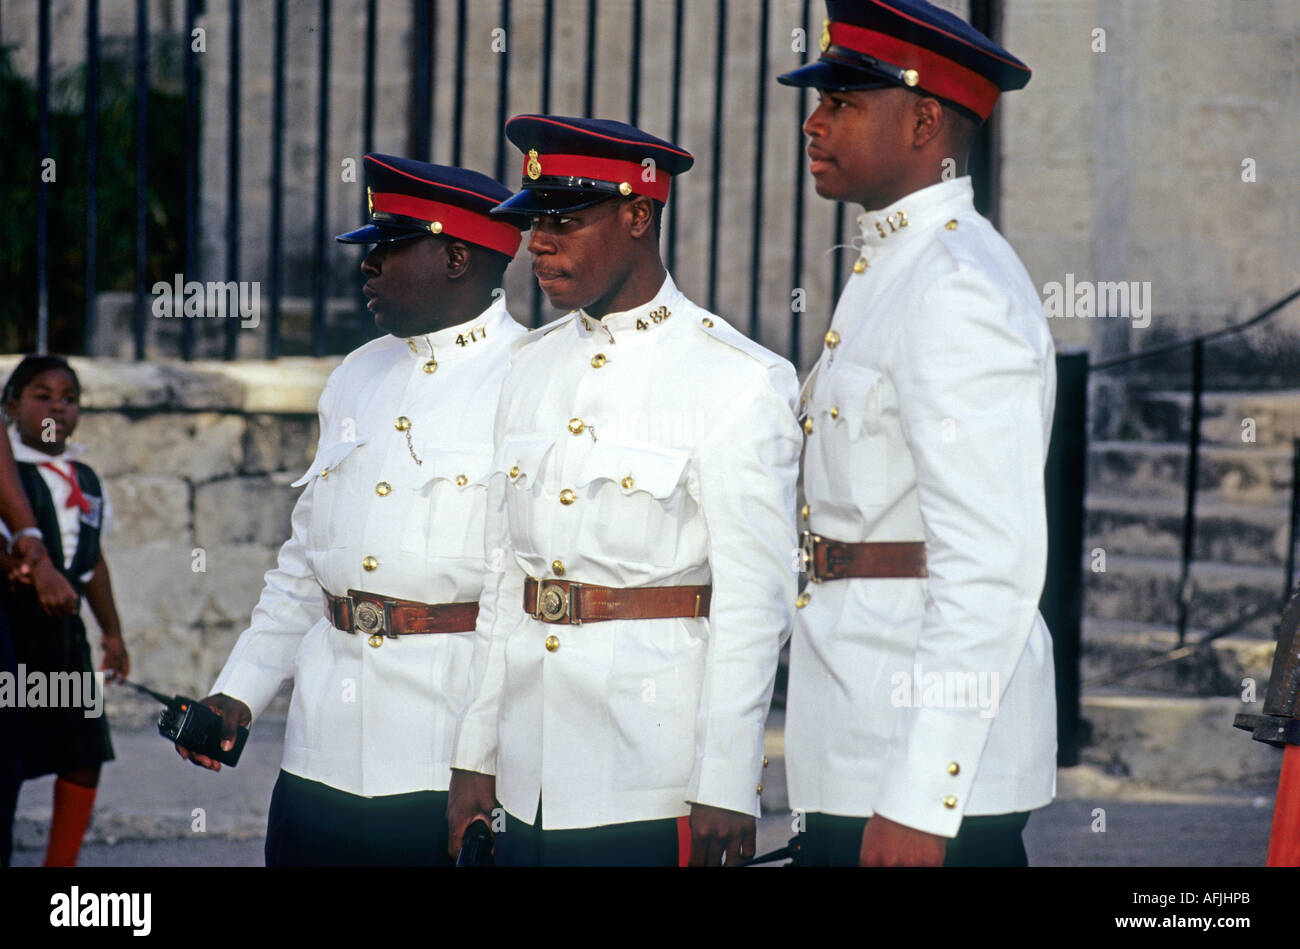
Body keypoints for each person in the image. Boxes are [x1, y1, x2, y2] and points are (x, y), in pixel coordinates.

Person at [447, 115, 801, 866]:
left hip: (649, 776)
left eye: (565, 222)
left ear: (639, 215)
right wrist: (476, 754)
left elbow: (753, 603)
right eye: (534, 224)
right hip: (528, 772)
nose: (538, 244)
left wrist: (727, 780)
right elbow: (503, 579)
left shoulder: (737, 379)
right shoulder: (529, 365)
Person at [178, 157, 529, 866]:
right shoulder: (356, 374)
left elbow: (522, 597)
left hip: (442, 756)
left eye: (389, 246)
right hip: (321, 750)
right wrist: (239, 692)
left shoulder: (531, 380)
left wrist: (482, 758)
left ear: (456, 258)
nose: (367, 265)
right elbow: (305, 562)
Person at [777, 0, 1057, 866]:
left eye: (842, 104)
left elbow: (988, 562)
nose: (814, 124)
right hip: (856, 738)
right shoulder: (891, 266)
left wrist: (921, 795)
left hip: (922, 777)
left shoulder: (953, 286)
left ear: (924, 122)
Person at [0, 355, 128, 867]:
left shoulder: (86, 478)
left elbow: (92, 562)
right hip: (15, 631)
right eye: (42, 396)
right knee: (10, 754)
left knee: (83, 749)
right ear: (12, 407)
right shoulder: (9, 474)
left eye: (69, 399)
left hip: (65, 637)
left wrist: (112, 633)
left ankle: (61, 865)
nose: (57, 407)